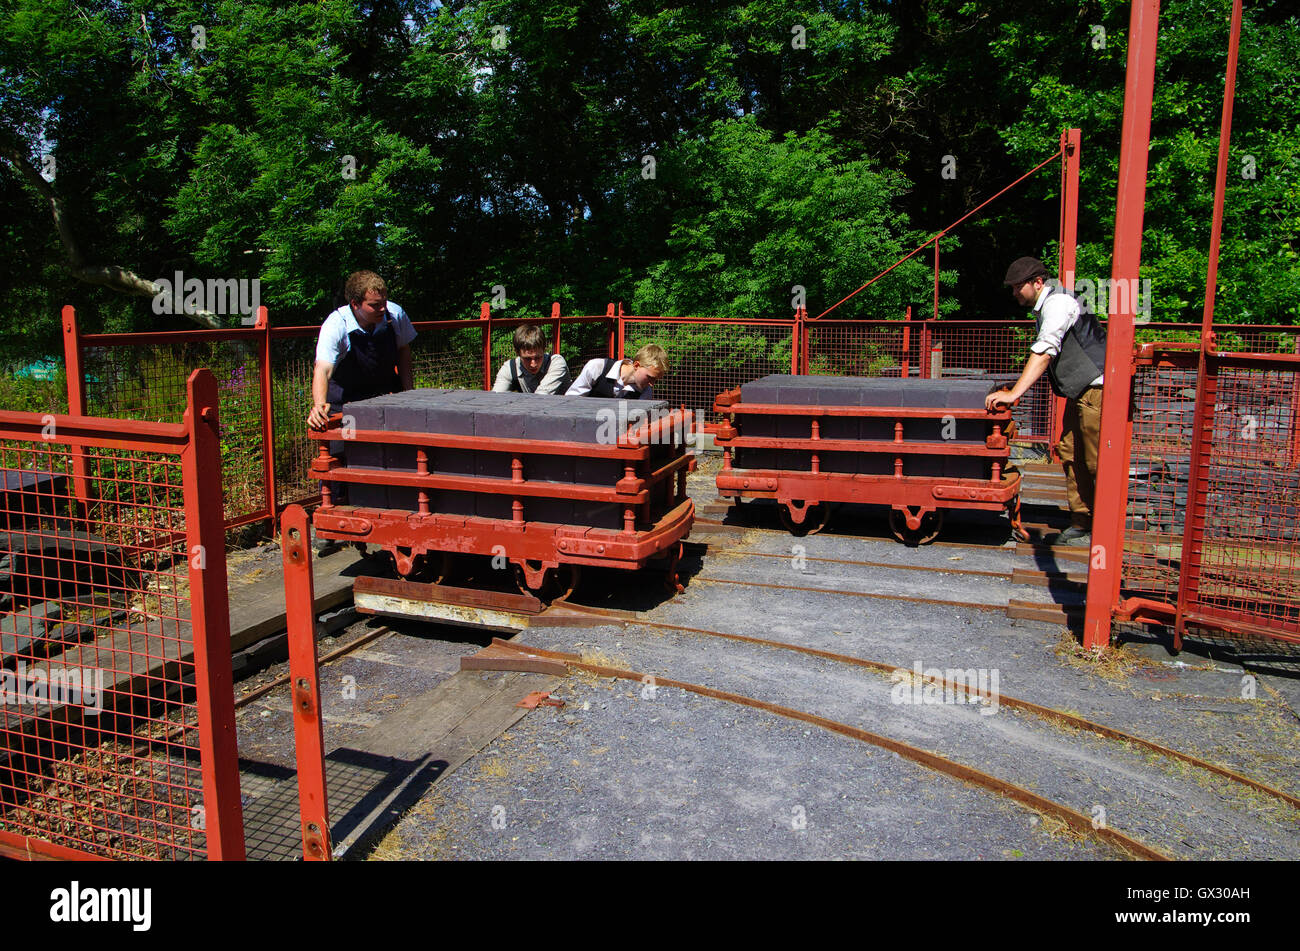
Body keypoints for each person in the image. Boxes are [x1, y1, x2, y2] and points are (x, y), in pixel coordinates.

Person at [985, 257, 1106, 547]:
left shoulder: (1058, 304)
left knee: (1095, 460)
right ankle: (1082, 521)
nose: (1015, 294)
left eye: (1018, 287)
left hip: (1098, 391)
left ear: (1037, 283)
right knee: (1070, 452)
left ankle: (1102, 530)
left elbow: (1044, 351)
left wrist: (1014, 393)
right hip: (1083, 392)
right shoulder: (1049, 303)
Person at [307, 271, 416, 429]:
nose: (382, 309)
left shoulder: (395, 314)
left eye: (384, 302)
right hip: (347, 407)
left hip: (386, 400)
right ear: (355, 304)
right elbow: (323, 368)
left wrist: (409, 394)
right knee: (348, 450)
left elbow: (403, 352)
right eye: (374, 305)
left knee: (396, 451)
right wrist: (319, 405)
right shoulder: (337, 324)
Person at [566, 344, 668, 399]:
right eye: (650, 377)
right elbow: (570, 402)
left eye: (656, 380)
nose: (652, 384)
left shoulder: (645, 392)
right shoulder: (597, 368)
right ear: (636, 365)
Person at [492, 324, 571, 394]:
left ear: (544, 350)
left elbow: (541, 397)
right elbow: (496, 399)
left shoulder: (556, 363)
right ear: (517, 353)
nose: (533, 364)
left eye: (538, 357)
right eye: (528, 359)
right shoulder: (509, 368)